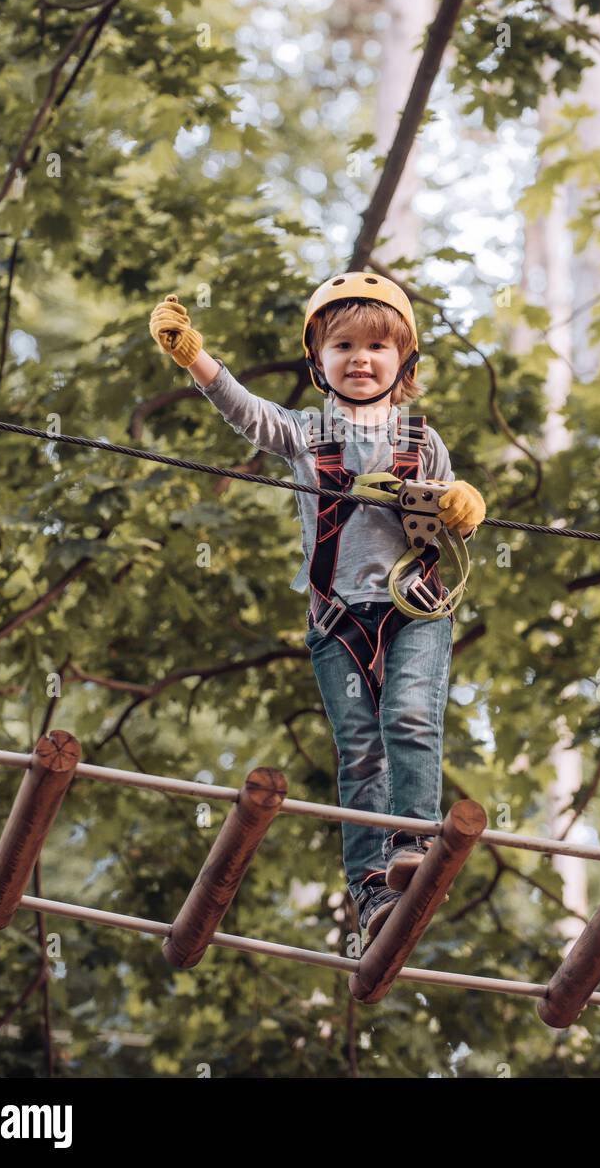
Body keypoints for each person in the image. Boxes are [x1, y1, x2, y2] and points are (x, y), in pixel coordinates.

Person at [149, 273, 486, 946]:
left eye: (376, 347)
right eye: (342, 346)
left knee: (410, 717)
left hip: (414, 608)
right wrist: (194, 358)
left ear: (403, 362)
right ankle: (371, 898)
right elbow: (245, 410)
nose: (360, 358)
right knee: (359, 751)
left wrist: (463, 505)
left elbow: (449, 507)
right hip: (337, 620)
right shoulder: (304, 433)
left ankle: (411, 842)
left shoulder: (422, 440)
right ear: (318, 360)